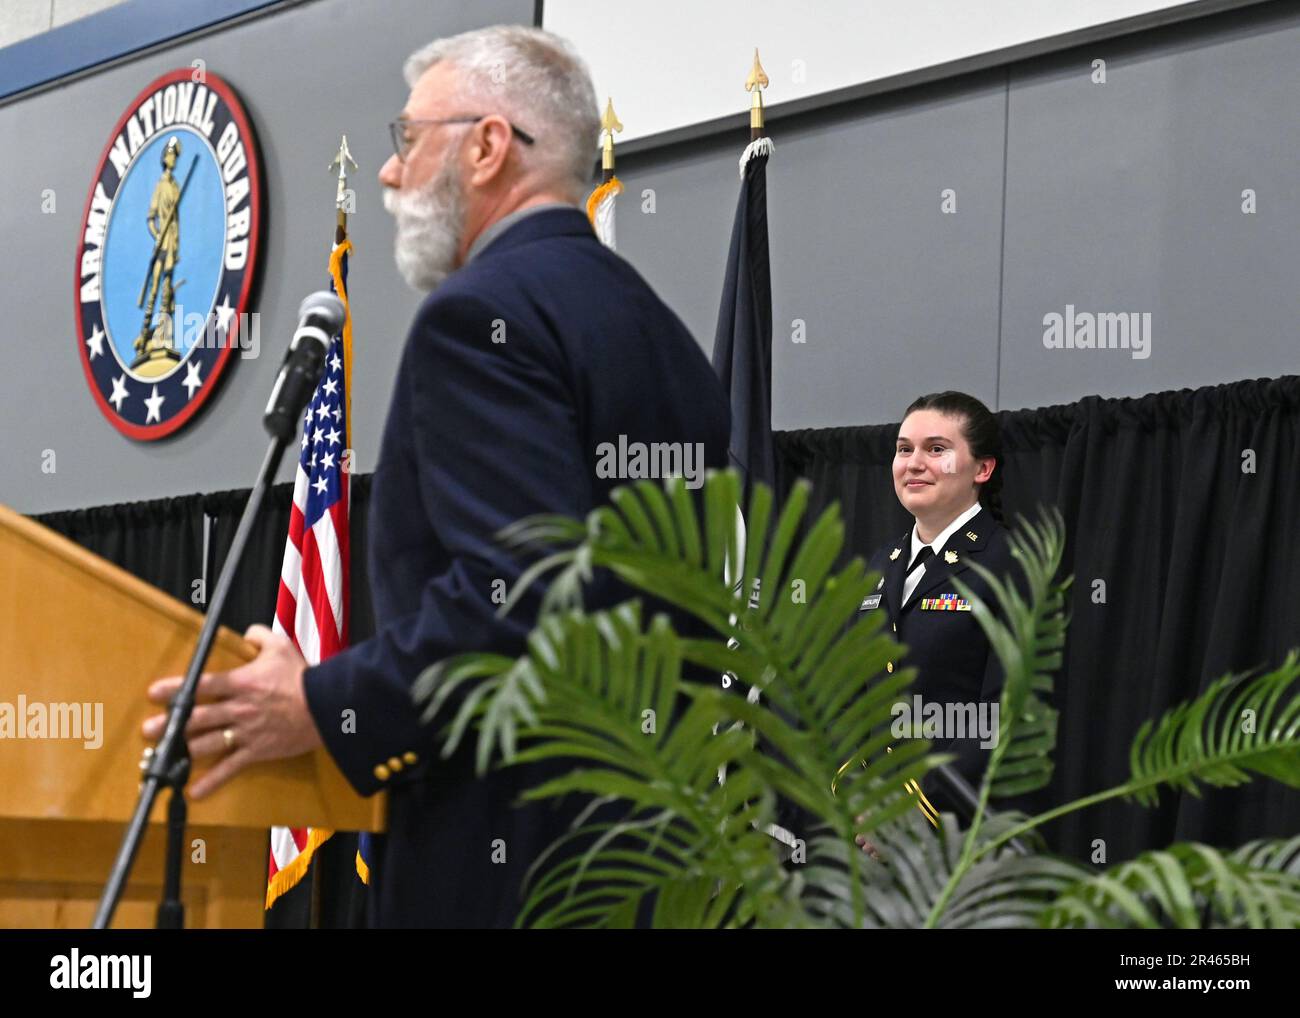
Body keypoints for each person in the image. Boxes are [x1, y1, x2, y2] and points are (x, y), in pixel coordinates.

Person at [142, 25, 730, 927]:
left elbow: (520, 605)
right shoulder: (669, 341)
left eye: (408, 140)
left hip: (502, 875)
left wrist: (316, 702)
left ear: (490, 146)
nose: (388, 172)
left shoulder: (479, 317)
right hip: (650, 870)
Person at [860, 391, 1025, 823]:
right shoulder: (881, 564)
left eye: (936, 449)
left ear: (983, 468)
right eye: (903, 449)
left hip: (957, 833)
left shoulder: (1010, 563)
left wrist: (911, 815)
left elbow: (1007, 713)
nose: (913, 463)